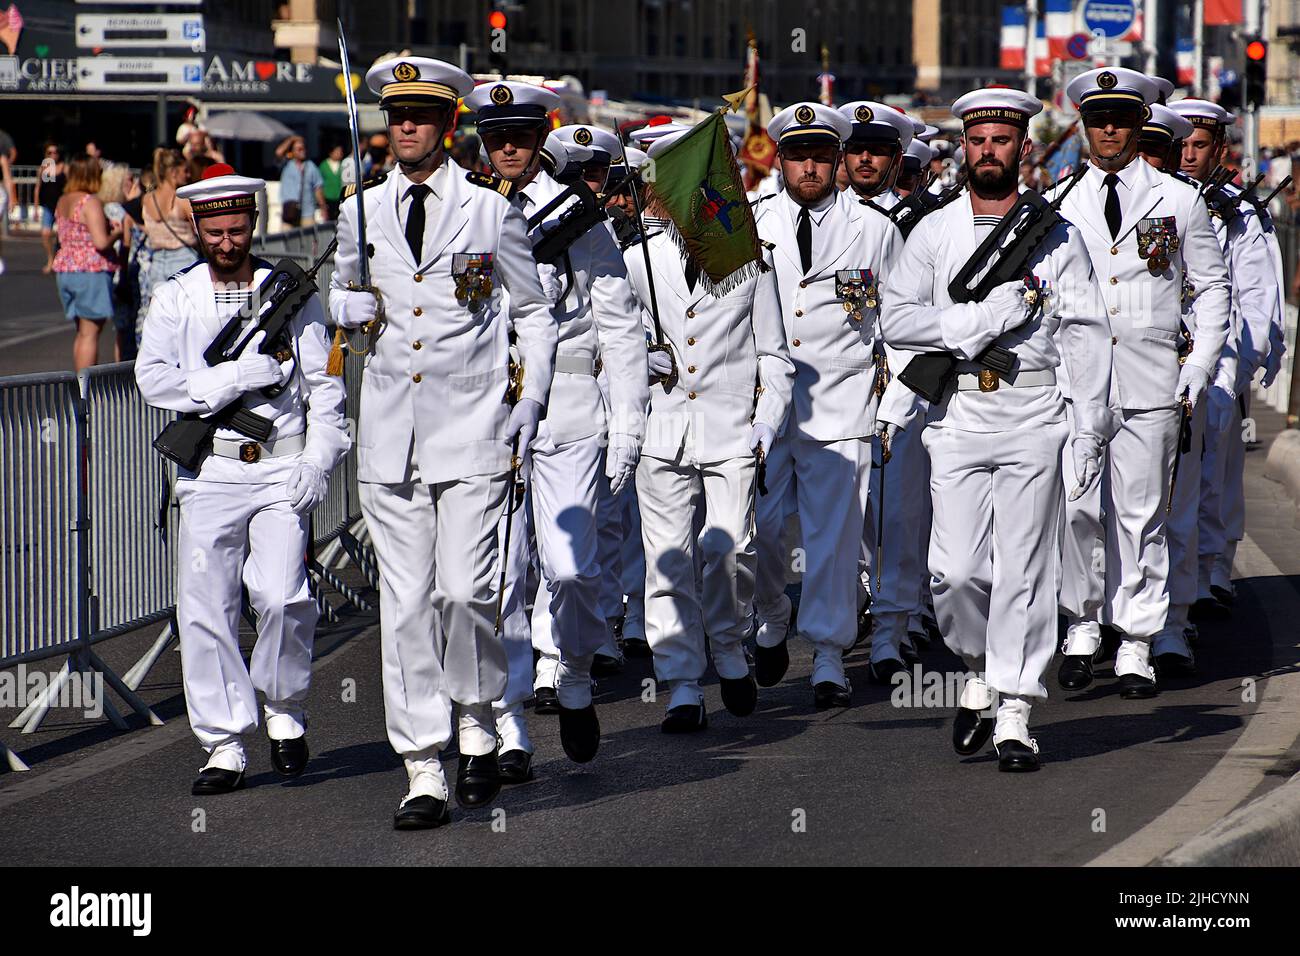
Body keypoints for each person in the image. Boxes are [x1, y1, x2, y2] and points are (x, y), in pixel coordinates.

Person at [328, 57, 557, 831]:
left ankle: (478, 719)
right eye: (397, 116)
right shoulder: (360, 210)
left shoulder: (490, 212)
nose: (407, 129)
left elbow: (535, 314)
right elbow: (347, 297)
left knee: (465, 593)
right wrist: (348, 307)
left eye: (422, 116)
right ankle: (423, 764)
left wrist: (531, 400)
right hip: (393, 439)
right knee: (406, 610)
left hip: (474, 431)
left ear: (448, 125)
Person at [880, 86, 1113, 772]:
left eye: (1002, 140)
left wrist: (1089, 429)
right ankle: (978, 664)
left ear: (1024, 148)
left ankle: (1014, 707)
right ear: (963, 147)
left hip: (1035, 413)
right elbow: (897, 320)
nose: (988, 151)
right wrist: (975, 322)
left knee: (1025, 567)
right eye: (978, 140)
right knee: (954, 572)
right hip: (958, 413)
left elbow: (1087, 334)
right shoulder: (933, 232)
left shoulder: (1056, 237)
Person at [135, 165, 349, 795]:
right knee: (206, 610)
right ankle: (224, 744)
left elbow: (326, 386)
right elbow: (155, 380)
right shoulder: (177, 296)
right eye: (215, 231)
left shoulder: (291, 292)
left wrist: (320, 460)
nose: (227, 242)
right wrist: (233, 379)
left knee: (284, 596)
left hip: (282, 463)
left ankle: (283, 710)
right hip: (212, 469)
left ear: (254, 223)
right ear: (196, 228)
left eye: (236, 229)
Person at [465, 83, 649, 771]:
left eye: (518, 133)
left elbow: (621, 326)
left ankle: (570, 673)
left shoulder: (580, 217)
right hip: (489, 403)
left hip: (570, 400)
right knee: (500, 576)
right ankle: (510, 719)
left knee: (571, 569)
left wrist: (628, 419)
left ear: (542, 134)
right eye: (493, 135)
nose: (505, 147)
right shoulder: (470, 209)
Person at [1052, 68, 1229, 700]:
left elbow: (1211, 289)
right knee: (1076, 509)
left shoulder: (1179, 199)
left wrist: (1199, 367)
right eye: (1098, 118)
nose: (1108, 129)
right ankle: (1081, 625)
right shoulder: (1059, 203)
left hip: (1154, 381)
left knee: (1142, 515)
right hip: (1079, 386)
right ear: (1083, 124)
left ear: (1137, 124)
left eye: (1120, 119)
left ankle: (1134, 640)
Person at [624, 128, 794, 732]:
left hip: (731, 429)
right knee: (666, 558)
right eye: (662, 183)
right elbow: (617, 343)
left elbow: (775, 357)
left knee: (730, 549)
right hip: (663, 426)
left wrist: (765, 424)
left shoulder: (749, 258)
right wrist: (644, 357)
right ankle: (680, 684)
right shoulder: (635, 260)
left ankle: (728, 647)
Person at [751, 102, 903, 709]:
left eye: (819, 157)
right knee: (758, 530)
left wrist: (891, 402)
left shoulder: (874, 229)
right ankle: (768, 614)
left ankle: (830, 654)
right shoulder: (753, 223)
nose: (808, 168)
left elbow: (898, 322)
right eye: (797, 156)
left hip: (842, 402)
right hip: (766, 405)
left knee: (834, 538)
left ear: (836, 160)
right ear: (781, 160)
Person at [1170, 98, 1284, 632]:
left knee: (1216, 469)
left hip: (1220, 358)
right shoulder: (1161, 199)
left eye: (1199, 145)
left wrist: (1238, 368)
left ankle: (1212, 569)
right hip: (1165, 354)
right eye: (1182, 144)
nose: (1189, 155)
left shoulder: (1237, 210)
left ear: (1220, 148)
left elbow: (1257, 295)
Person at [52, 154, 123, 372]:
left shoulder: (63, 200)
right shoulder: (89, 201)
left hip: (67, 269)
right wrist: (117, 234)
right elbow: (101, 242)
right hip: (89, 271)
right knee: (90, 333)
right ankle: (85, 387)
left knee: (82, 332)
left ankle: (80, 383)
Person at [137, 148, 200, 345]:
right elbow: (200, 232)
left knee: (159, 316)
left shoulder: (147, 199)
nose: (188, 175)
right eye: (185, 170)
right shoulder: (183, 200)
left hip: (157, 263)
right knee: (186, 318)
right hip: (184, 259)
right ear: (173, 172)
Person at [97, 162, 139, 361]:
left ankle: (119, 366)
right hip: (124, 270)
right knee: (126, 327)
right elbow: (127, 241)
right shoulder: (120, 211)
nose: (134, 183)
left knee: (121, 328)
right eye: (130, 179)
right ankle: (123, 369)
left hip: (113, 271)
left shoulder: (104, 208)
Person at [276, 136, 326, 227]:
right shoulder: (286, 164)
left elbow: (318, 189)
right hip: (289, 212)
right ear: (292, 152)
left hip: (307, 211)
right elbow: (279, 152)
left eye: (304, 148)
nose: (302, 151)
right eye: (299, 149)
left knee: (309, 240)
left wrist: (323, 208)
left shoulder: (311, 166)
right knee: (288, 239)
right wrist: (292, 139)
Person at [36, 142, 66, 274]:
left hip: (61, 205)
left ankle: (61, 259)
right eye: (50, 153)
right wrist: (36, 207)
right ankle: (50, 259)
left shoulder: (64, 168)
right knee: (45, 233)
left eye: (55, 152)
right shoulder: (43, 168)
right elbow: (38, 188)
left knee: (62, 235)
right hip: (47, 205)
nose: (53, 155)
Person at [320, 143, 345, 220]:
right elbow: (319, 184)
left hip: (340, 197)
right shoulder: (323, 165)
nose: (340, 153)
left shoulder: (343, 164)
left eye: (341, 151)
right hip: (328, 198)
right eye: (337, 151)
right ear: (331, 152)